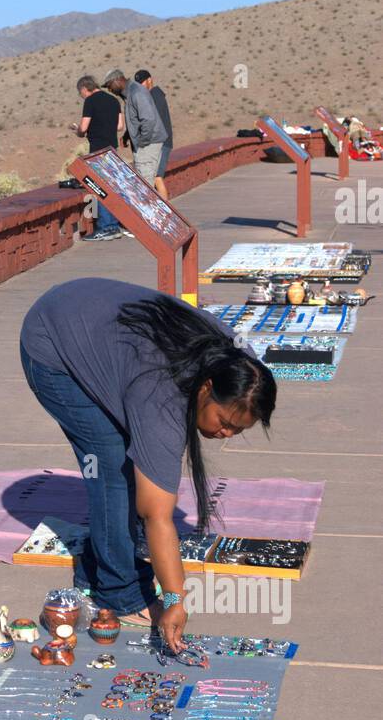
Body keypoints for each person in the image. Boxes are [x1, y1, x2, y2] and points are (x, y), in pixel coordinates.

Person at [20, 279, 276, 652]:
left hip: (87, 316)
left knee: (131, 462)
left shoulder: (241, 365)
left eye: (239, 429)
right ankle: (118, 592)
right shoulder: (161, 397)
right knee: (110, 465)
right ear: (205, 388)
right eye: (224, 421)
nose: (226, 433)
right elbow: (157, 515)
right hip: (51, 344)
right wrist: (174, 601)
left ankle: (105, 555)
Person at [70, 75, 128, 240]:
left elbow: (84, 128)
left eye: (80, 93)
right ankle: (115, 225)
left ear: (83, 89)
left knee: (98, 188)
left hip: (97, 151)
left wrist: (77, 130)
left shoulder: (90, 101)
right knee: (112, 187)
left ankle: (105, 227)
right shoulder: (113, 100)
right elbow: (120, 126)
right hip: (112, 150)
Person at [102, 68, 168, 187]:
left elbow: (148, 120)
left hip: (149, 144)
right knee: (147, 183)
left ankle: (147, 205)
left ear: (117, 80)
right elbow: (137, 118)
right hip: (148, 142)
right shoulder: (129, 93)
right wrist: (128, 135)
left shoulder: (136, 92)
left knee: (145, 185)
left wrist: (142, 143)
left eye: (109, 86)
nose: (109, 90)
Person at [134, 68, 173, 200]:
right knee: (155, 176)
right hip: (160, 142)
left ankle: (166, 212)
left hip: (161, 143)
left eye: (142, 82)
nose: (141, 86)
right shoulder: (154, 95)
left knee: (157, 177)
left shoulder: (154, 96)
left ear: (150, 80)